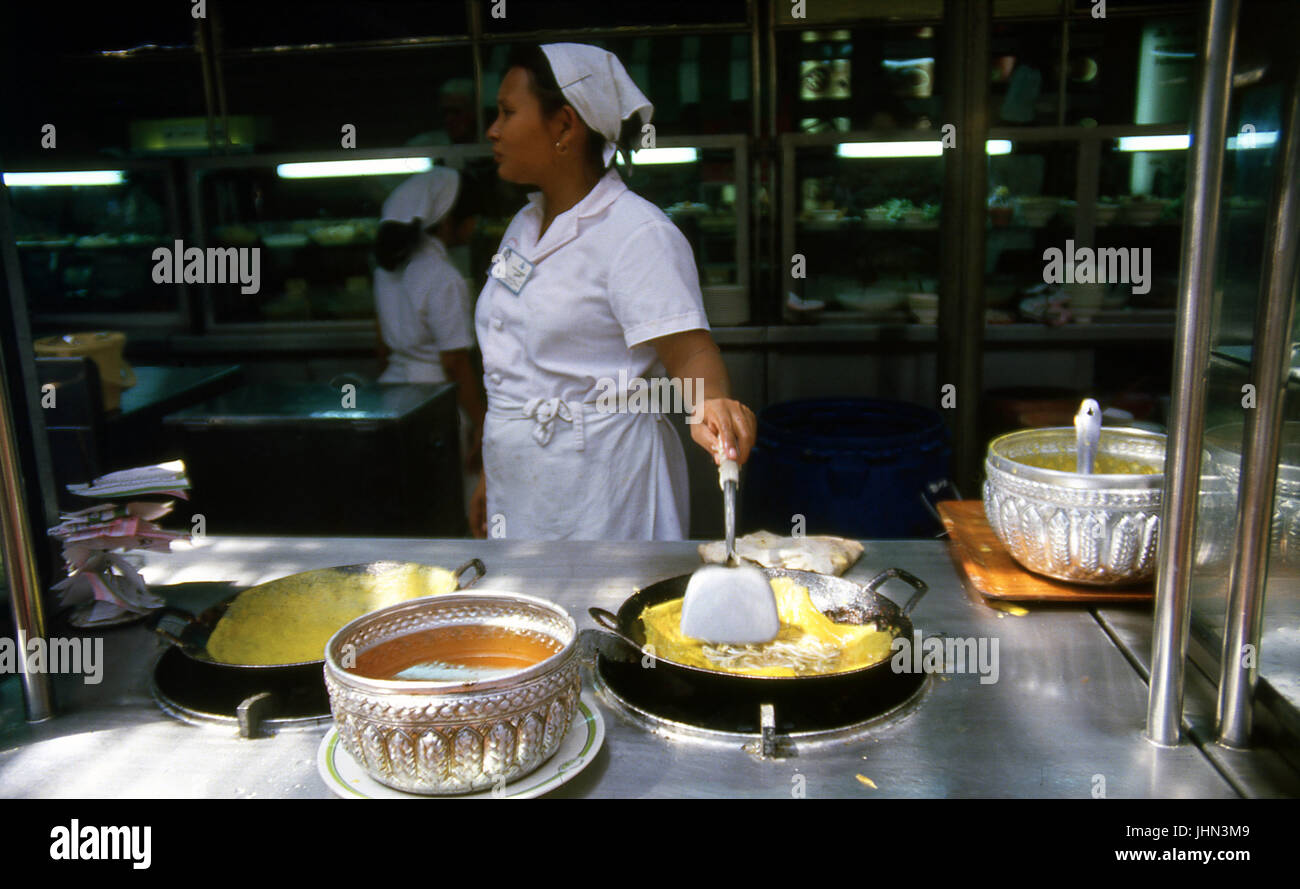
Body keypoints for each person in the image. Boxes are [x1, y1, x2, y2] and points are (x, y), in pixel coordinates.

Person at [470, 42, 757, 541]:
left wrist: (710, 402)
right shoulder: (523, 224)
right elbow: (515, 371)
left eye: (507, 113)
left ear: (563, 125)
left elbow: (690, 354)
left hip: (604, 485)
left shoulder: (636, 232)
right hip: (523, 483)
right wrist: (493, 474)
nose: (493, 130)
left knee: (602, 610)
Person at [373, 167, 486, 475]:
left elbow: (381, 342)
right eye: (472, 216)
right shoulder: (444, 277)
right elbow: (454, 363)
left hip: (390, 397)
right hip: (435, 406)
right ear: (448, 222)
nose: (476, 224)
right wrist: (481, 423)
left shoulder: (387, 269)